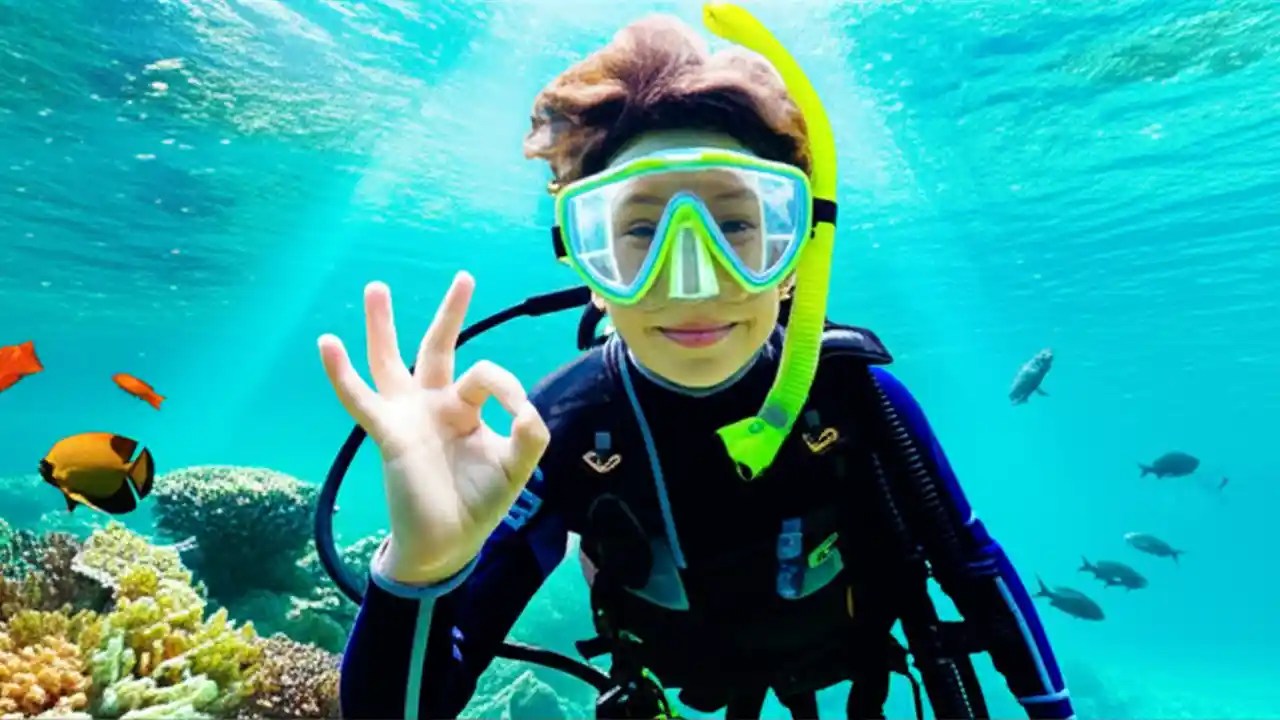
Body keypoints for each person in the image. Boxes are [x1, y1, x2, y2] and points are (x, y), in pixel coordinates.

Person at [320, 7, 1074, 720]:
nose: (693, 280)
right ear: (586, 261)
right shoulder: (556, 434)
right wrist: (420, 570)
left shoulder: (858, 398)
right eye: (641, 230)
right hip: (676, 681)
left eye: (738, 224)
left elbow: (973, 567)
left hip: (849, 670)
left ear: (796, 254)